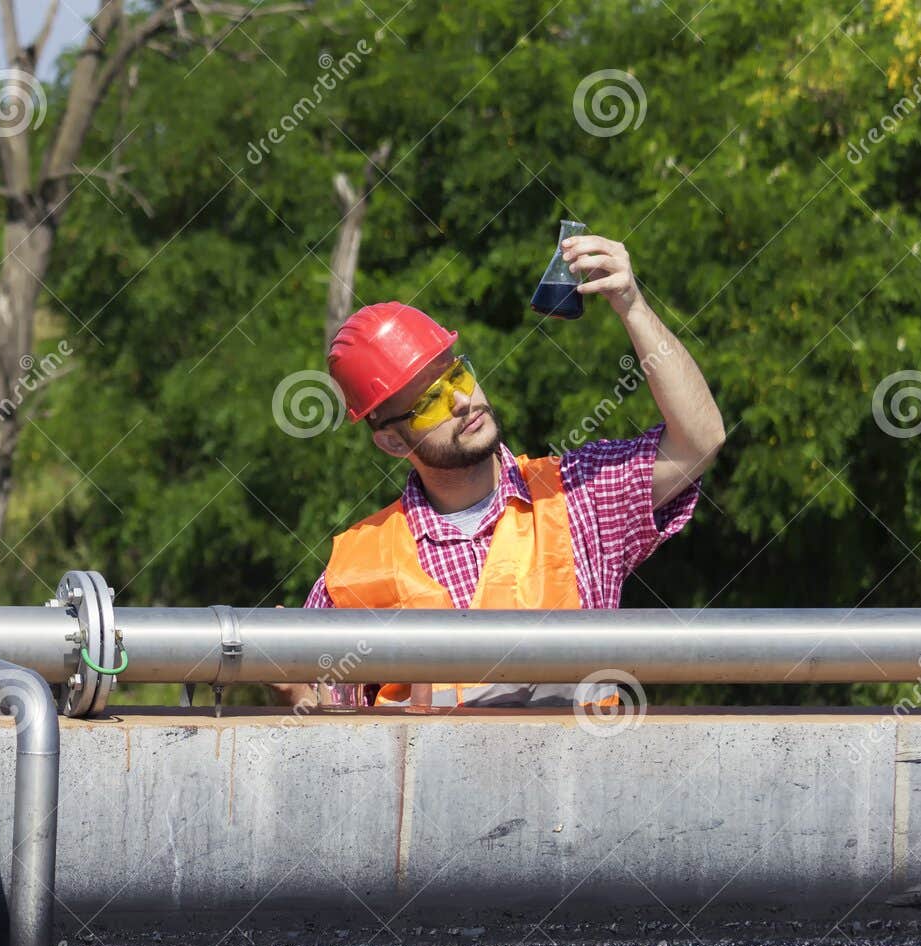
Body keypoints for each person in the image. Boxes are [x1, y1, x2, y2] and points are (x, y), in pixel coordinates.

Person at [278, 231, 724, 709]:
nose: (463, 400)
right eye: (430, 401)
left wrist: (632, 305)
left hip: (582, 781)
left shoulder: (576, 496)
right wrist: (298, 692)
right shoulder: (353, 568)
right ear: (390, 440)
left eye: (457, 374)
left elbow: (700, 441)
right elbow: (329, 728)